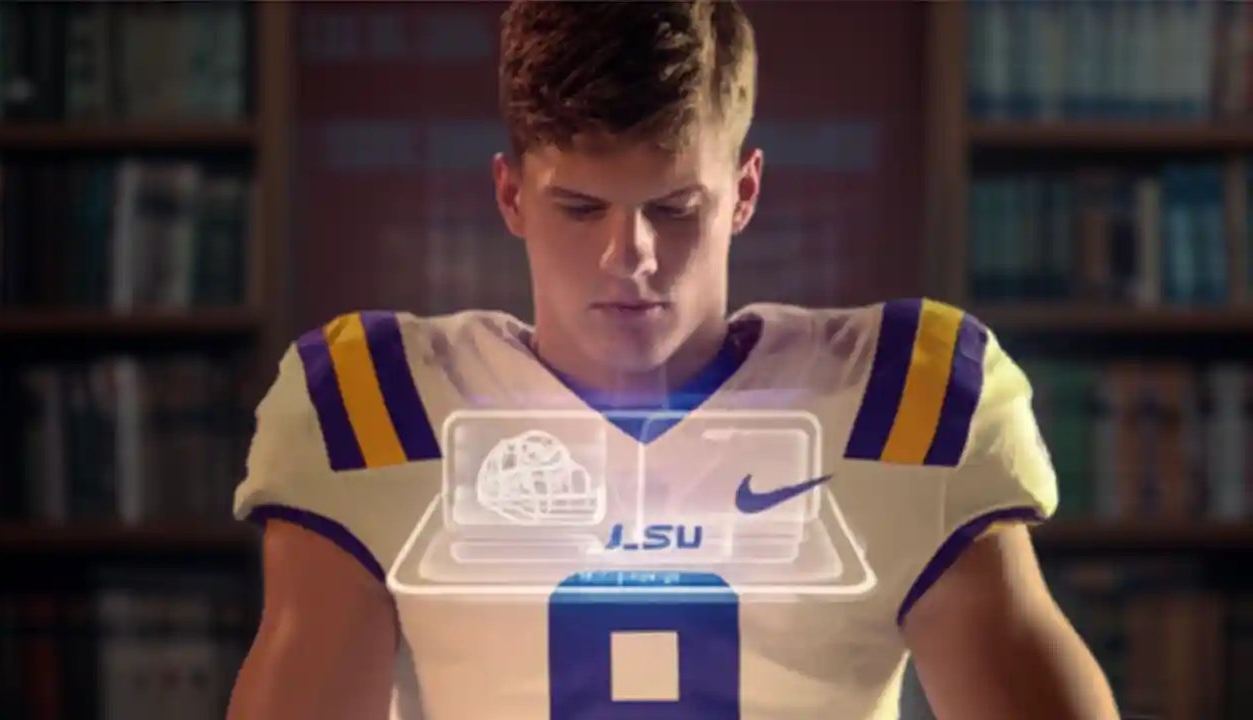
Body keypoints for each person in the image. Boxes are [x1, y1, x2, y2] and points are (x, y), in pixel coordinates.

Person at [226, 2, 1120, 719]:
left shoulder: (906, 401)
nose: (631, 256)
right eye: (581, 208)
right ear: (510, 195)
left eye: (674, 208)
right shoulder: (371, 408)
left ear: (745, 192)